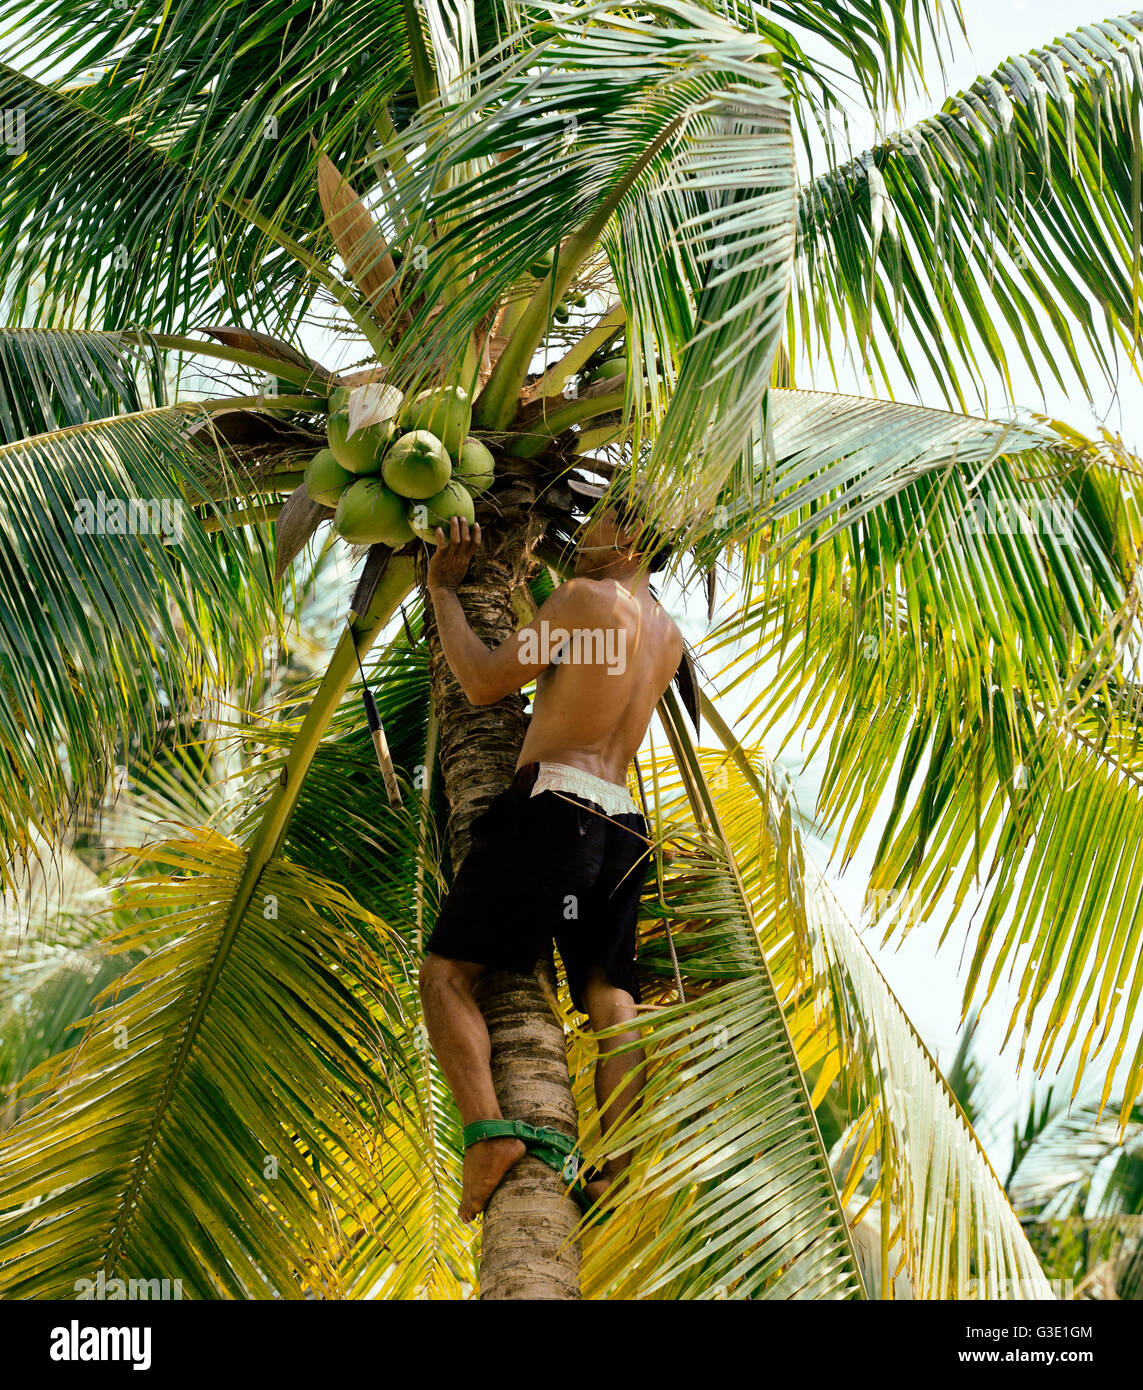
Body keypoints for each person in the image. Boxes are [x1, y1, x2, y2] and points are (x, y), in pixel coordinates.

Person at [418, 471, 685, 1222]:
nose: (582, 532)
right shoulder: (665, 635)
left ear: (628, 537)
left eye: (597, 521)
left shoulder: (581, 600)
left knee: (444, 978)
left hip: (554, 812)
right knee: (612, 1000)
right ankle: (615, 1167)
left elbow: (481, 684)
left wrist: (444, 590)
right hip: (623, 826)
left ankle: (487, 1134)